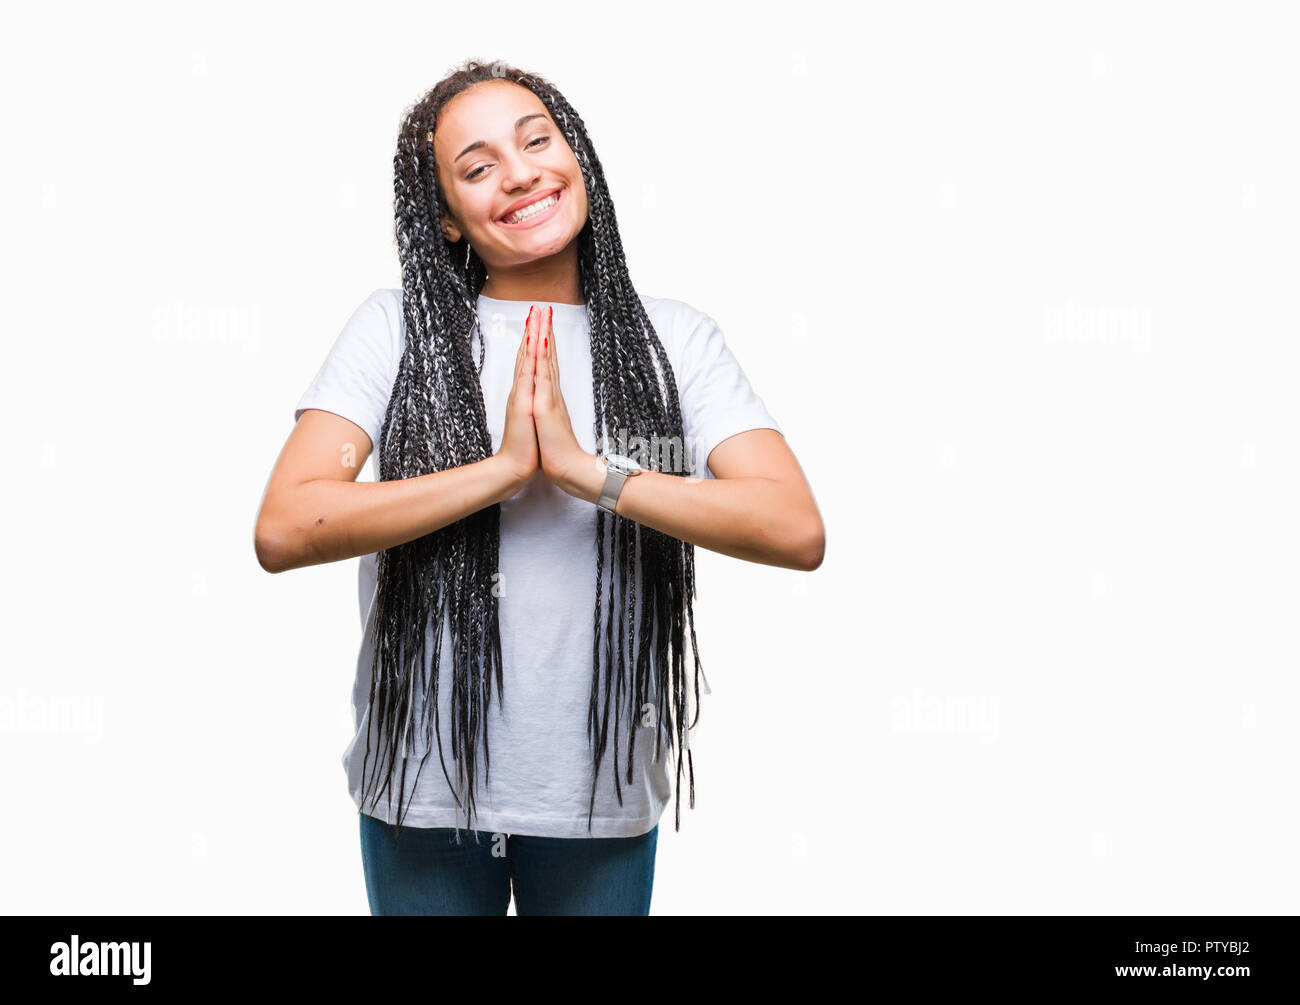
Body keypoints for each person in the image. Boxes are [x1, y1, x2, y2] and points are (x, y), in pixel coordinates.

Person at [254, 59, 825, 916]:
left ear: (578, 158)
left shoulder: (676, 339)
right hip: (424, 792)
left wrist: (588, 473)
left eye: (536, 141)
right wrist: (499, 474)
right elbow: (288, 524)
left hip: (597, 792)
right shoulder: (396, 328)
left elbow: (793, 526)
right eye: (478, 167)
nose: (519, 173)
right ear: (446, 219)